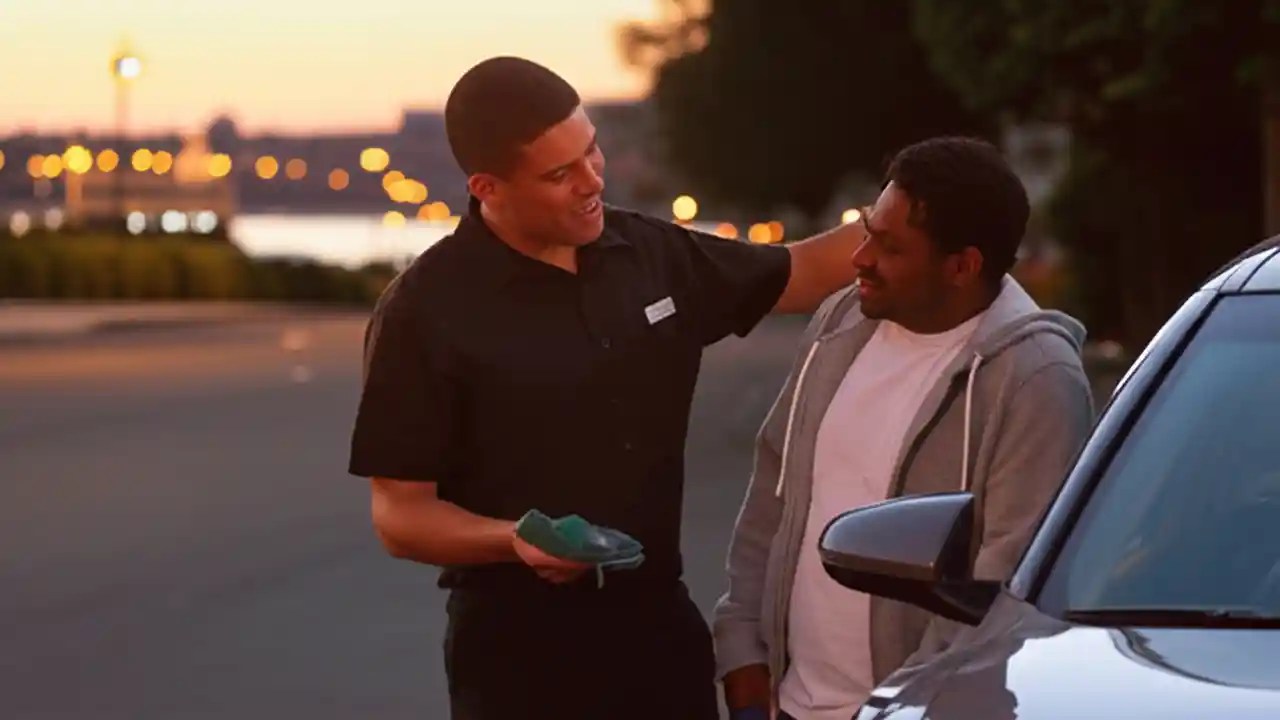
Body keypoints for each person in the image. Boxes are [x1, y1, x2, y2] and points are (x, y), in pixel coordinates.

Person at [346, 56, 867, 720]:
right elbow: (399, 515)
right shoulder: (424, 311)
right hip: (518, 659)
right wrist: (513, 539)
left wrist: (907, 211)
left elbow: (796, 272)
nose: (591, 181)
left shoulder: (648, 254)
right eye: (559, 174)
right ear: (488, 187)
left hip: (660, 632)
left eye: (591, 153)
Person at [713, 137, 1095, 720]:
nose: (860, 256)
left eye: (888, 245)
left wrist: (903, 709)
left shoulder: (1035, 378)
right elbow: (774, 497)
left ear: (962, 265)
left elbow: (1002, 592)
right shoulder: (840, 321)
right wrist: (742, 656)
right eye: (868, 230)